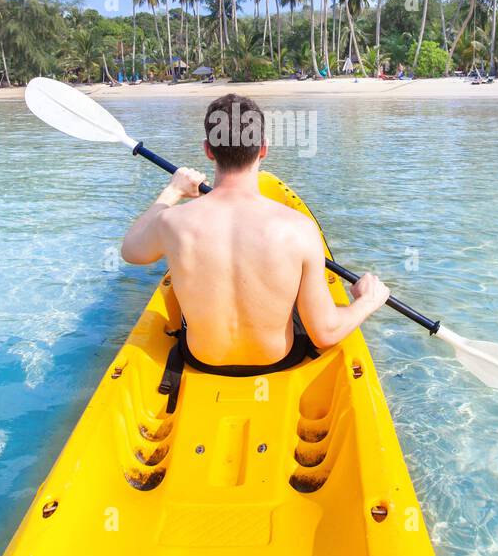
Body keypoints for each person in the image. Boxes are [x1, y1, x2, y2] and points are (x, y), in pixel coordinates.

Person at [120, 93, 389, 369]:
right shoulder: (299, 229)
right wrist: (367, 301)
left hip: (202, 359)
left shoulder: (172, 223)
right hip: (277, 359)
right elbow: (325, 333)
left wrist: (172, 192)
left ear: (208, 150)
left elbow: (130, 250)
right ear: (263, 149)